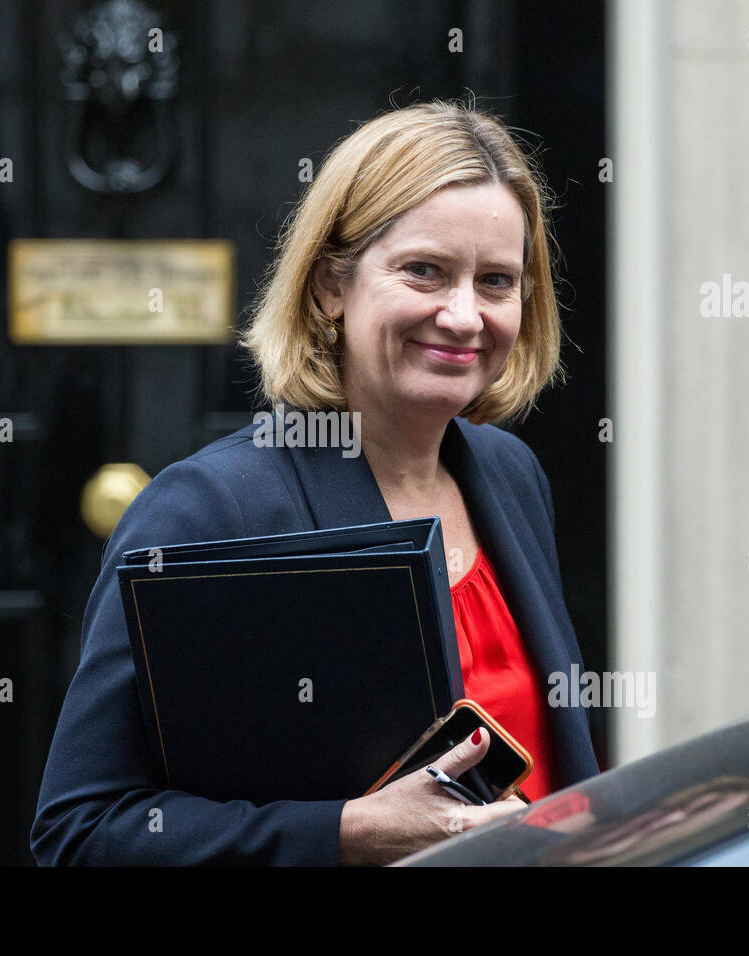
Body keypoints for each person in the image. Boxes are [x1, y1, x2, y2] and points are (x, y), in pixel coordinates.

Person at [30, 97, 600, 866]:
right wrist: (348, 833)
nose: (465, 316)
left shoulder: (510, 474)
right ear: (332, 286)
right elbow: (81, 832)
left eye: (496, 281)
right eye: (425, 271)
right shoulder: (210, 508)